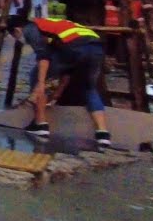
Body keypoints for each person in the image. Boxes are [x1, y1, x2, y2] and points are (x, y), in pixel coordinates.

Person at [8, 15, 112, 149]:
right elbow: (67, 70)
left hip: (75, 46)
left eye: (15, 36)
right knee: (89, 88)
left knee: (36, 74)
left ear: (17, 30)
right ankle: (102, 134)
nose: (18, 39)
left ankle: (40, 124)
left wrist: (40, 83)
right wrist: (58, 92)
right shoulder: (53, 28)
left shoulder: (30, 28)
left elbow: (43, 56)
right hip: (96, 48)